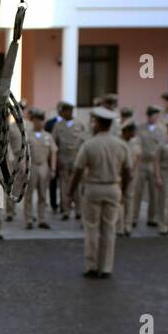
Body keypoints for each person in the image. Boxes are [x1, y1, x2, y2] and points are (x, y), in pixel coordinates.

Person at [69, 106, 130, 279]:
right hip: (113, 188)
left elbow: (78, 170)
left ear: (98, 123)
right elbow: (128, 172)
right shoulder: (121, 145)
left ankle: (91, 265)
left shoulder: (90, 144)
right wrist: (123, 192)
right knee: (109, 228)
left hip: (93, 188)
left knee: (91, 228)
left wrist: (70, 192)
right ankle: (106, 267)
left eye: (94, 122)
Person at [53, 101, 85, 220]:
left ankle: (78, 211)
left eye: (64, 111)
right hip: (63, 159)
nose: (62, 113)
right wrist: (56, 160)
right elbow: (54, 143)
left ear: (69, 111)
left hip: (76, 159)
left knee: (78, 186)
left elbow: (84, 143)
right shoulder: (58, 125)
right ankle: (65, 211)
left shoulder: (79, 124)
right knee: (64, 186)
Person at [25, 109, 55, 228]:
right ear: (33, 121)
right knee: (29, 194)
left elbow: (53, 152)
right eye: (37, 121)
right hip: (31, 166)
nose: (39, 123)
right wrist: (24, 166)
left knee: (43, 194)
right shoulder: (28, 135)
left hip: (43, 166)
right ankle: (29, 220)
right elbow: (24, 153)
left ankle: (42, 219)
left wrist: (53, 169)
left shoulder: (48, 136)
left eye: (41, 121)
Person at [140, 105, 164, 227]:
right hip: (142, 162)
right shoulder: (140, 128)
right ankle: (133, 217)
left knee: (154, 193)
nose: (154, 118)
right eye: (152, 115)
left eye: (156, 115)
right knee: (137, 191)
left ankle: (152, 217)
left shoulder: (162, 129)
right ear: (148, 116)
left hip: (154, 163)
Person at [118, 120, 142, 236]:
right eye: (132, 132)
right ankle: (120, 226)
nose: (134, 134)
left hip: (132, 173)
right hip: (120, 174)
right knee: (119, 199)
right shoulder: (118, 142)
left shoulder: (135, 141)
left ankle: (127, 225)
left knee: (129, 198)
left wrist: (132, 171)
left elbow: (137, 156)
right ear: (126, 131)